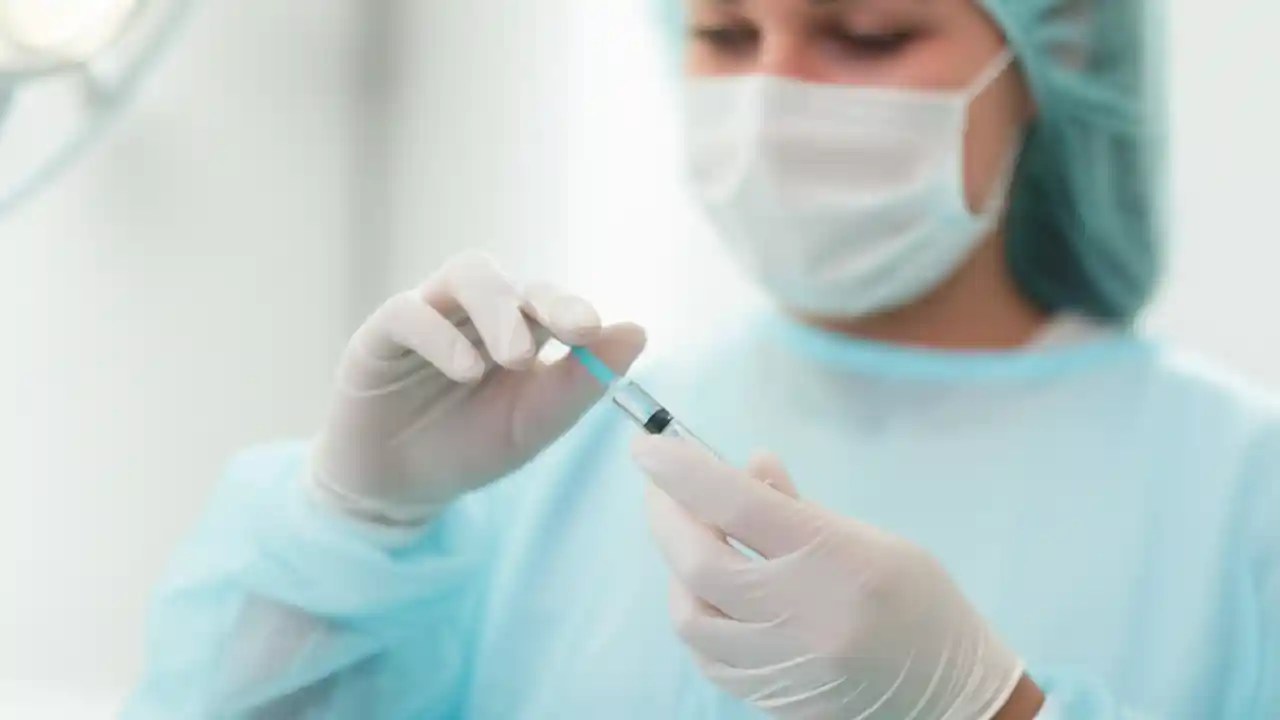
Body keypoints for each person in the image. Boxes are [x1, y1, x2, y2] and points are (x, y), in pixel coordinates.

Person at [127, 0, 1278, 718]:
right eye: (726, 35)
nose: (772, 95)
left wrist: (985, 710)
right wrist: (354, 528)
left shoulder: (1239, 495)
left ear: (1056, 45)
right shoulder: (532, 457)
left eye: (864, 35)